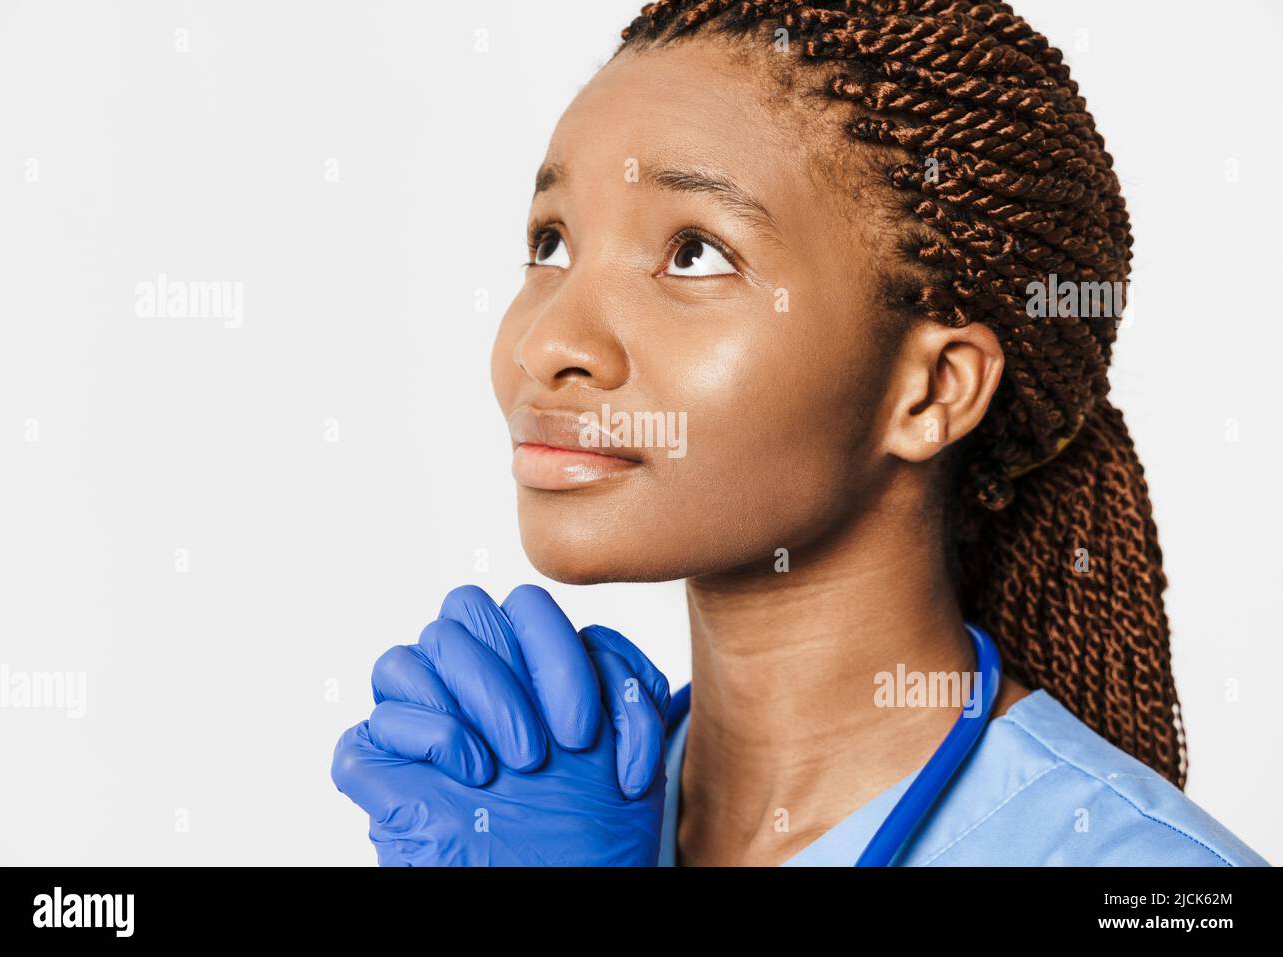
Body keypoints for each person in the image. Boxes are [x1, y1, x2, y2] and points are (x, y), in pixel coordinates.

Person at [331, 0, 1270, 866]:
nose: (546, 343)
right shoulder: (526, 807)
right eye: (552, 244)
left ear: (932, 391)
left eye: (693, 253)